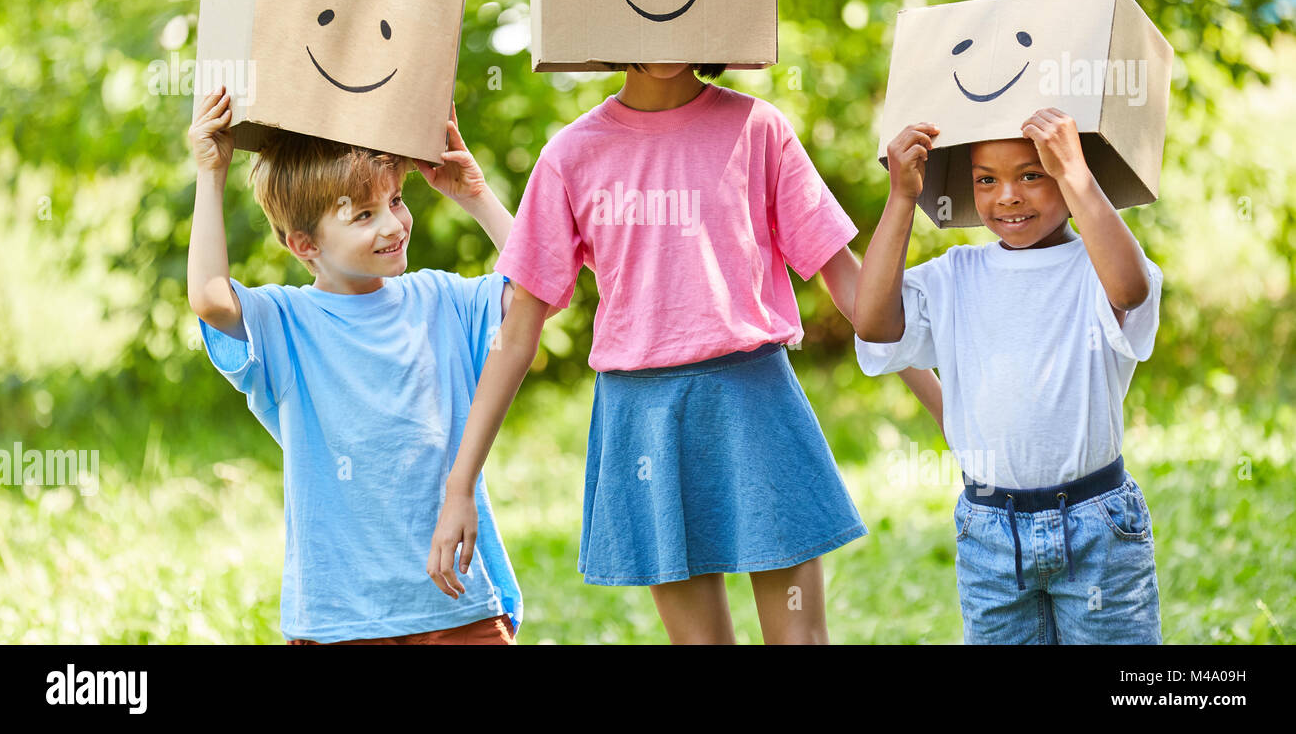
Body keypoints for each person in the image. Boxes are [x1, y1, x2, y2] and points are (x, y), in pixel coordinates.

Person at [428, 63, 941, 644]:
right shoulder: (571, 154)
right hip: (643, 423)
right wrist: (460, 485)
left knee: (800, 638)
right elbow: (517, 333)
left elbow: (857, 298)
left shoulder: (758, 129)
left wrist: (950, 411)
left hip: (755, 405)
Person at [187, 85, 523, 644]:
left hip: (458, 604)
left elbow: (541, 292)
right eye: (363, 215)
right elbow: (212, 299)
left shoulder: (443, 300)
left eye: (396, 201)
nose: (392, 225)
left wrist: (476, 195)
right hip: (341, 617)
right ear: (303, 244)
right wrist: (210, 173)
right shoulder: (285, 322)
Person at [854, 108, 1163, 644]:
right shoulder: (955, 276)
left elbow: (1131, 291)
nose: (1008, 197)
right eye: (986, 180)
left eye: (1032, 174)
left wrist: (1074, 170)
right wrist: (901, 198)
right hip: (991, 532)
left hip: (1097, 527)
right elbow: (875, 323)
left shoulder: (1097, 267)